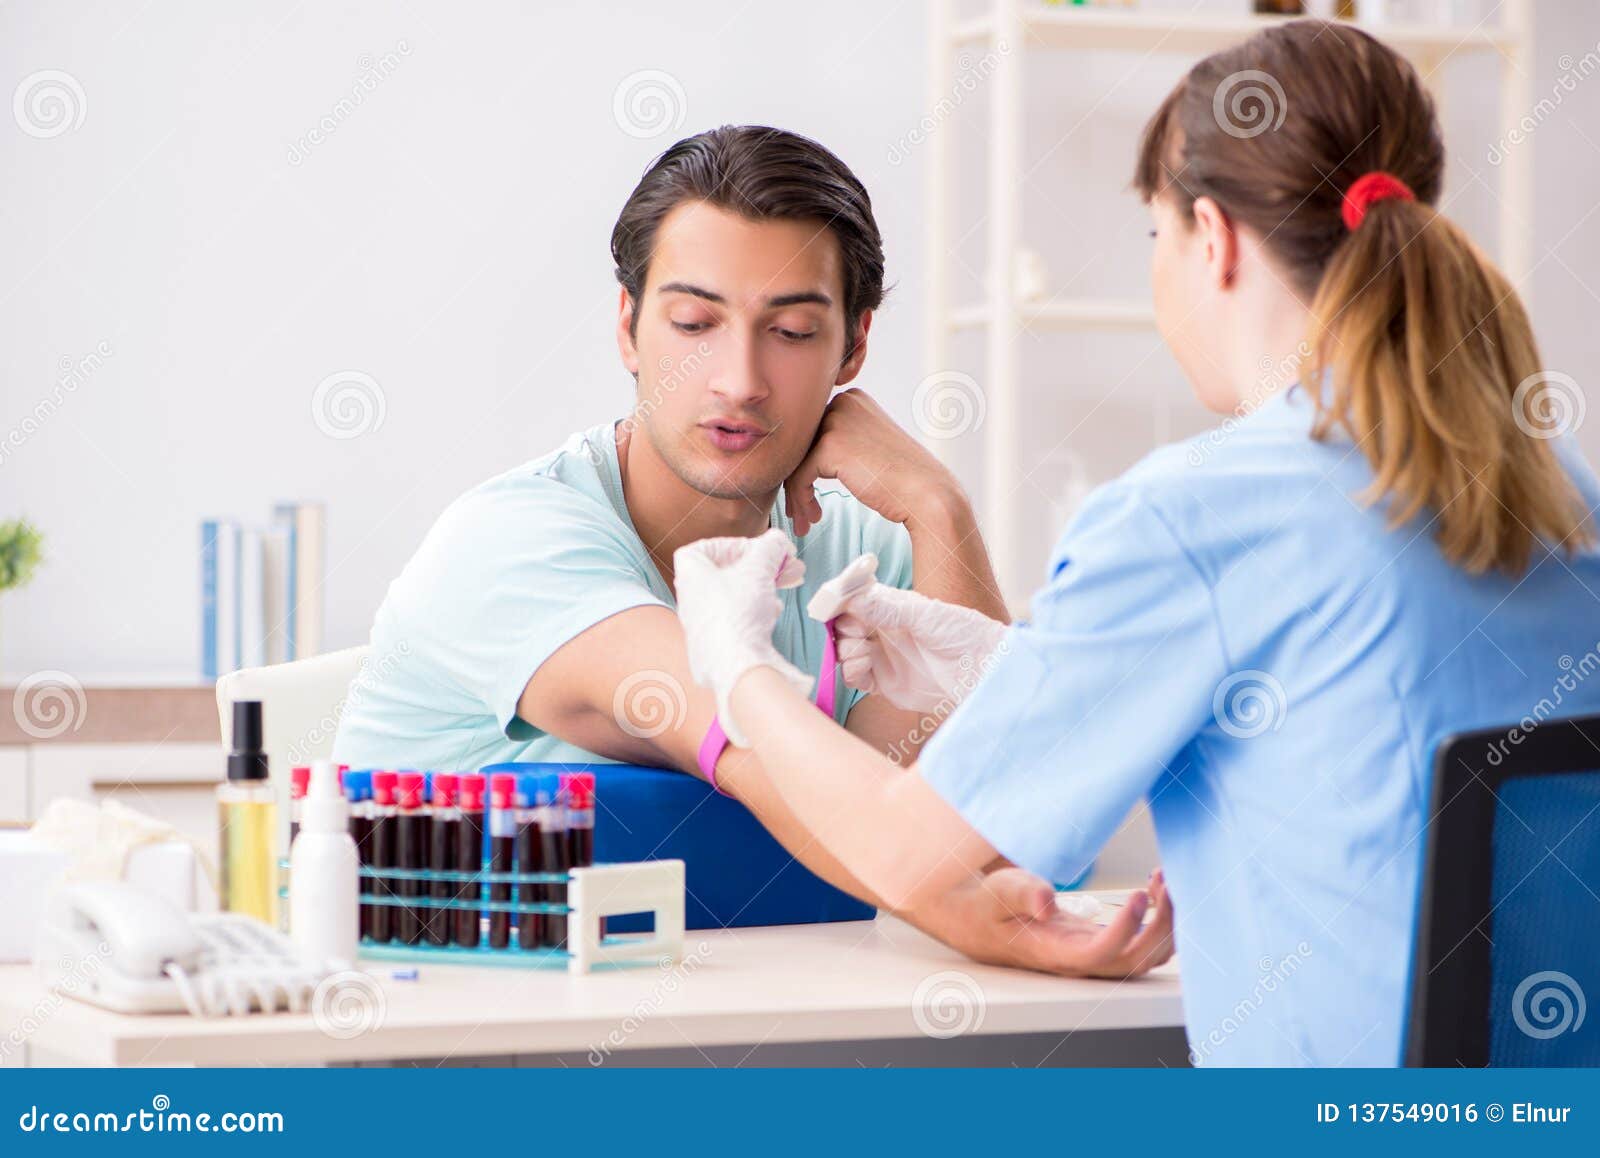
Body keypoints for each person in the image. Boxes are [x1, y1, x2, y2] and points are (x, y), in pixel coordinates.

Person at [670, 21, 1600, 1065]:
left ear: (1213, 237)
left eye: (1152, 235)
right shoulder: (1557, 489)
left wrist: (735, 659)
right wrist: (1021, 673)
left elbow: (904, 854)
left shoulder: (1196, 512)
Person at [333, 125, 1018, 915]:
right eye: (695, 324)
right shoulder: (512, 544)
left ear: (854, 346)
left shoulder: (866, 554)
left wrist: (940, 508)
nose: (739, 381)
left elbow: (984, 809)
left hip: (771, 1009)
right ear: (628, 328)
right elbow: (763, 749)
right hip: (469, 1017)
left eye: (792, 333)